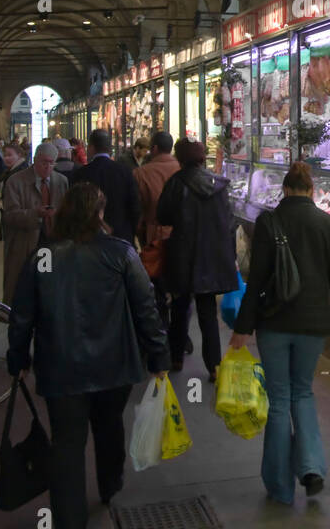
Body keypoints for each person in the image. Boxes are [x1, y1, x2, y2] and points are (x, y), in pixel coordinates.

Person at [7, 183, 170, 529]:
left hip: (60, 367)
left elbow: (22, 316)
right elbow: (146, 307)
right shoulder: (120, 253)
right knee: (109, 423)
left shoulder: (44, 257)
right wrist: (158, 355)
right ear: (99, 215)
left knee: (67, 443)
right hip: (113, 365)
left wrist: (18, 359)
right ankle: (110, 484)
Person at [230, 160, 330, 505]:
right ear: (312, 191)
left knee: (279, 400)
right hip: (314, 325)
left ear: (284, 190)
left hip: (274, 324)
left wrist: (242, 328)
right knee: (303, 393)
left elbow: (254, 281)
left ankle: (280, 486)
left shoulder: (268, 223)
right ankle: (312, 467)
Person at [156, 138, 238, 379]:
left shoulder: (175, 183)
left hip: (183, 255)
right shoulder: (219, 186)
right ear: (202, 158)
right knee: (207, 311)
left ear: (180, 159)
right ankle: (214, 366)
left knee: (180, 308)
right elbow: (229, 224)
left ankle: (176, 357)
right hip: (211, 257)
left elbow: (163, 216)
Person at [1, 141, 69, 306]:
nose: (47, 167)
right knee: (22, 289)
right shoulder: (16, 182)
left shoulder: (61, 181)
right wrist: (35, 213)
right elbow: (9, 216)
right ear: (35, 160)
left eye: (51, 163)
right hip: (25, 244)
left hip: (49, 245)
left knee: (45, 286)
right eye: (43, 162)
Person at [135, 131, 180, 331]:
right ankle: (179, 335)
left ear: (153, 149)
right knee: (179, 288)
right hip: (181, 236)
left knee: (157, 287)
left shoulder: (141, 173)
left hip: (154, 238)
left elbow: (137, 209)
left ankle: (160, 327)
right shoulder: (181, 169)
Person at [71, 129, 140, 243]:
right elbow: (135, 206)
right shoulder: (125, 172)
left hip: (89, 239)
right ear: (110, 149)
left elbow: (75, 208)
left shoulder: (81, 173)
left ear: (92, 147)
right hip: (121, 237)